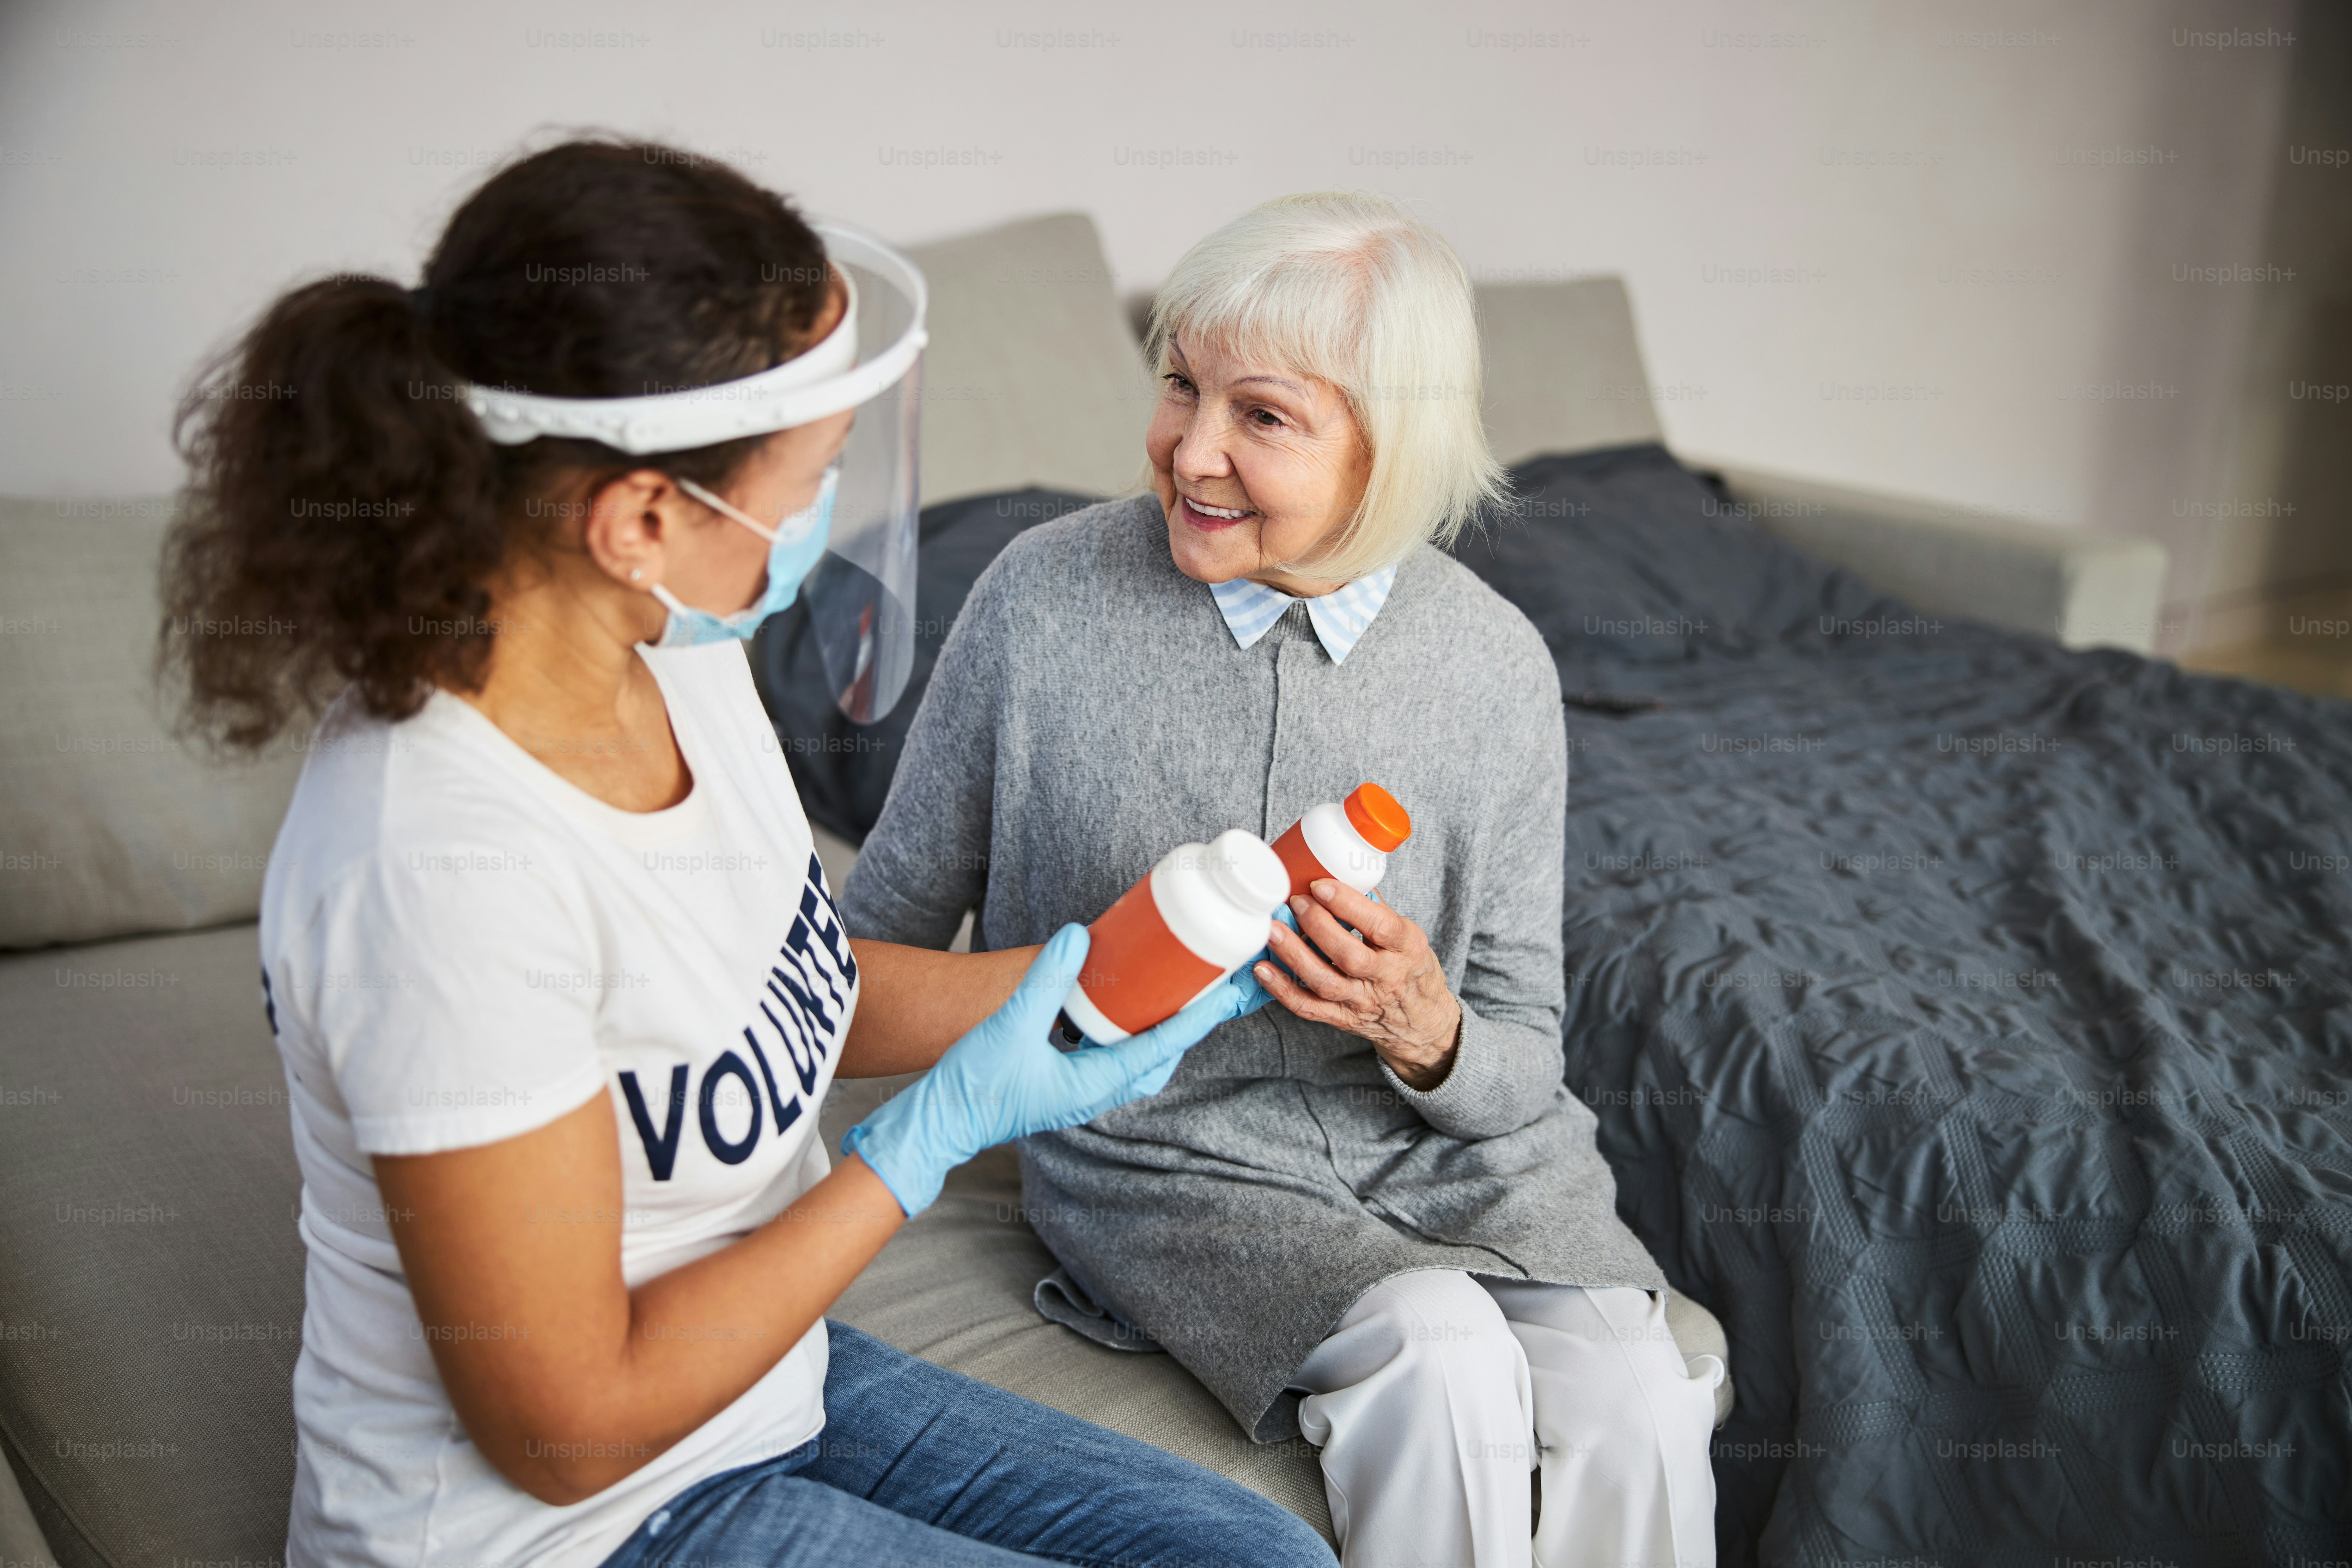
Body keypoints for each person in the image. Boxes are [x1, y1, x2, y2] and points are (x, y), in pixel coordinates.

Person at [162, 138, 1335, 1568]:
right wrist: (926, 1137)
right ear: (643, 518)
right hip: (559, 1521)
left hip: (752, 1388)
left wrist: (1095, 981)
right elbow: (567, 1423)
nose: (818, 522)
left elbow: (774, 981)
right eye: (812, 479)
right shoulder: (433, 868)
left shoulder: (675, 650)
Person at [843, 191, 1724, 1568]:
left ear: (1393, 446)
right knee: (1437, 1356)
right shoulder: (1042, 596)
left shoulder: (1493, 667)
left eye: (1262, 416)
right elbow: (878, 930)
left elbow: (1520, 1050)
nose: (1191, 449)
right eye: (1180, 384)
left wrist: (1423, 1028)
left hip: (1469, 1162)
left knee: (1643, 1387)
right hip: (1166, 1161)